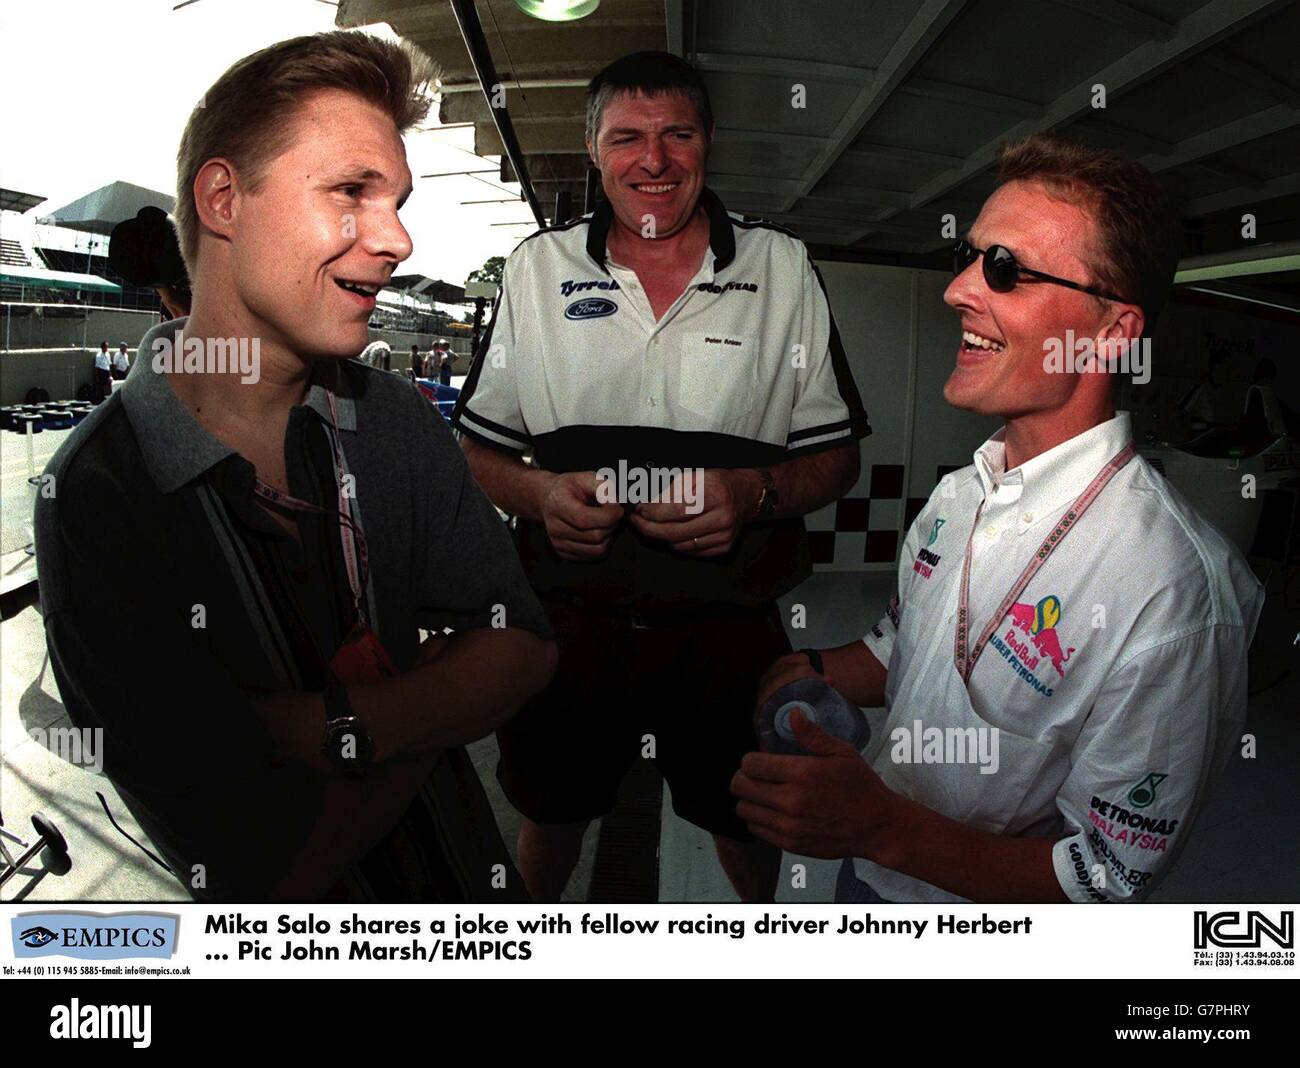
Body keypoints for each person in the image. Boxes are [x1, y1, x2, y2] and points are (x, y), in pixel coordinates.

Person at [37, 31, 557, 902]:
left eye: (395, 200)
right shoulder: (99, 498)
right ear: (223, 200)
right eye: (352, 191)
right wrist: (440, 703)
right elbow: (268, 862)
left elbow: (526, 648)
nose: (396, 240)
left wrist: (325, 728)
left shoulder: (390, 420)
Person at [734, 133, 1264, 904]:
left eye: (1005, 270)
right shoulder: (961, 494)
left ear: (1113, 333)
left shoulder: (1174, 595)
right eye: (971, 257)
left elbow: (1103, 880)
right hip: (867, 879)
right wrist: (810, 669)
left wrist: (880, 828)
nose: (958, 290)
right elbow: (905, 651)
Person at [453, 51, 869, 902]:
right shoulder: (535, 270)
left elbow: (836, 454)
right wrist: (538, 496)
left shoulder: (781, 269)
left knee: (746, 822)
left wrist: (750, 497)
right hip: (572, 621)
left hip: (729, 623)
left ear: (708, 141)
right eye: (628, 138)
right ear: (593, 149)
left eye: (678, 134)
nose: (654, 160)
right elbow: (478, 447)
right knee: (551, 818)